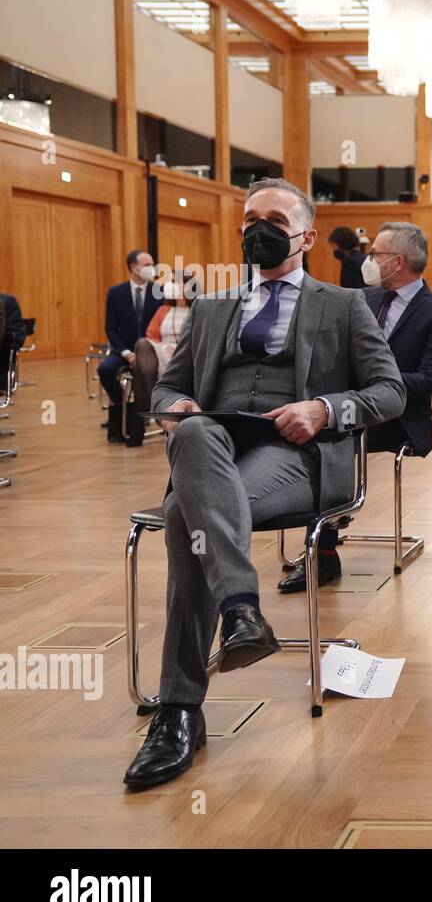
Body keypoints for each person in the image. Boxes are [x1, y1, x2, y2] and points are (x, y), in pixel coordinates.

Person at [122, 178, 406, 790]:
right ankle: (242, 611)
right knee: (192, 438)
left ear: (304, 235)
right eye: (250, 217)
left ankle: (178, 711)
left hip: (295, 452)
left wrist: (324, 410)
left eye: (273, 218)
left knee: (183, 517)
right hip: (216, 445)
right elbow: (168, 388)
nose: (258, 227)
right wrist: (179, 407)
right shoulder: (214, 306)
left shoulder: (344, 304)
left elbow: (391, 393)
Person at [279, 221, 432, 595]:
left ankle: (323, 550)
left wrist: (377, 385)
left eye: (374, 253)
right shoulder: (362, 298)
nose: (367, 259)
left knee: (333, 439)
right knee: (315, 429)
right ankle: (318, 532)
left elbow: (427, 381)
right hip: (351, 408)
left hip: (399, 416)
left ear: (397, 261)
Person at [126, 271, 200, 446]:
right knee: (143, 345)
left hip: (186, 354)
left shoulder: (199, 307)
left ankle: (143, 415)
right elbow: (151, 336)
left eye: (177, 282)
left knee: (139, 369)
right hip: (160, 351)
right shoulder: (163, 310)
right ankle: (153, 402)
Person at [100, 251, 164, 443]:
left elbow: (160, 326)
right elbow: (110, 328)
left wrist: (144, 351)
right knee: (105, 369)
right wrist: (127, 353)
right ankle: (122, 407)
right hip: (123, 350)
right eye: (147, 264)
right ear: (133, 267)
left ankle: (138, 415)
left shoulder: (158, 292)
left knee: (141, 374)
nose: (151, 268)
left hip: (149, 350)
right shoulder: (115, 293)